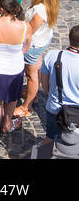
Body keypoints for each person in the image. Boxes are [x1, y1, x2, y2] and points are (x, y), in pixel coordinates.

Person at [14, 0, 59, 120]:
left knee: (31, 75)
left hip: (33, 45)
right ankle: (33, 95)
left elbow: (29, 31)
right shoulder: (52, 1)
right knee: (37, 68)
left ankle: (26, 107)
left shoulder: (39, 10)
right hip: (43, 40)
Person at [0, 0, 28, 140]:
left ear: (1, 9)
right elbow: (25, 48)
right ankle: (7, 124)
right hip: (15, 69)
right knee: (11, 99)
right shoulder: (24, 26)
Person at [37, 25, 79, 159]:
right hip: (77, 113)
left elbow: (44, 86)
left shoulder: (53, 55)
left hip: (55, 108)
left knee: (49, 138)